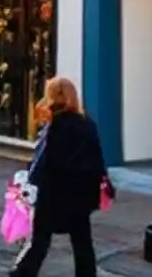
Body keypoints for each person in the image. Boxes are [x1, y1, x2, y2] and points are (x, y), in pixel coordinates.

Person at [9, 77, 109, 277]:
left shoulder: (55, 125)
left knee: (40, 239)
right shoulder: (87, 124)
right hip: (81, 193)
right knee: (82, 242)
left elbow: (46, 162)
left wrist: (30, 182)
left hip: (54, 193)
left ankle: (24, 272)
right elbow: (97, 159)